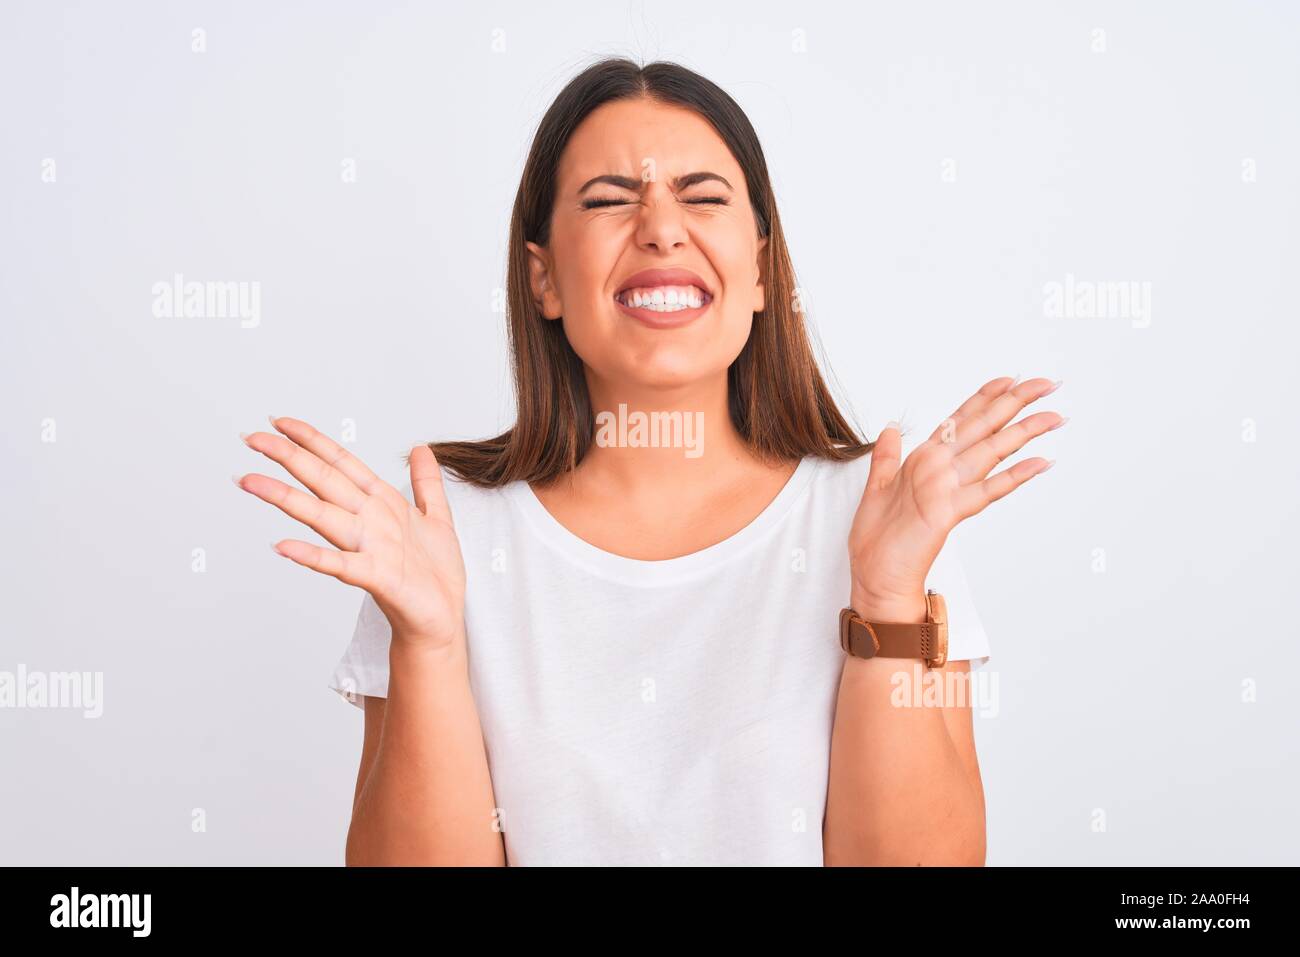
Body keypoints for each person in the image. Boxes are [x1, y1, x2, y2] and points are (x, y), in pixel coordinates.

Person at [234, 58, 1064, 866]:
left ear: (763, 273)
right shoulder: (439, 536)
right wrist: (431, 643)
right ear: (543, 278)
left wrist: (885, 600)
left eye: (702, 197)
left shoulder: (884, 518)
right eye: (607, 200)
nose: (663, 227)